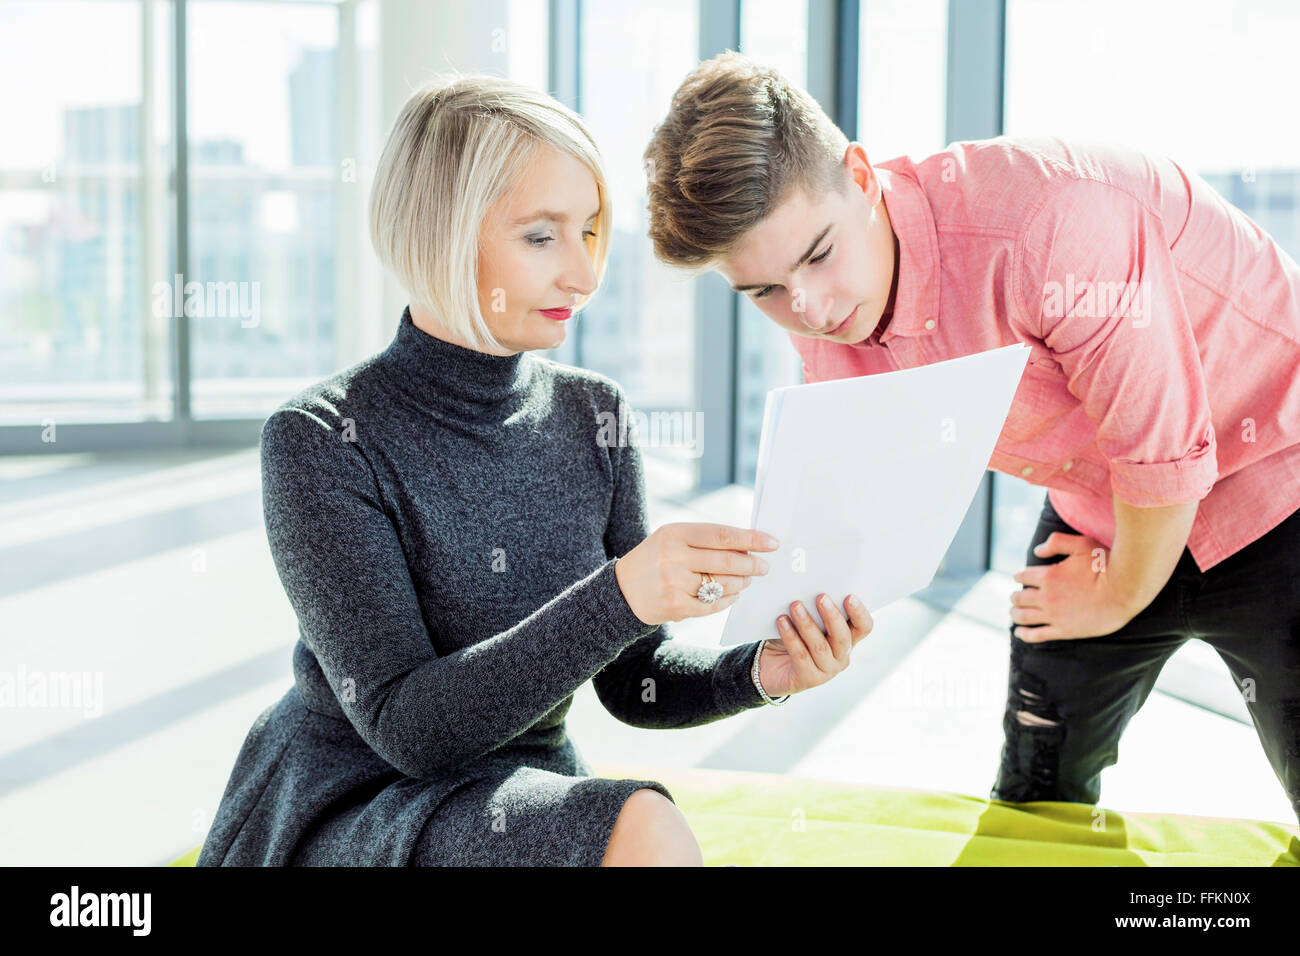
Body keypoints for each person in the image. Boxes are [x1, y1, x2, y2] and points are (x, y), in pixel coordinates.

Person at [196, 72, 874, 868]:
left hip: (517, 792)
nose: (584, 277)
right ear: (442, 232)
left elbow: (634, 682)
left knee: (635, 825)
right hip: (357, 806)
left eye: (589, 232)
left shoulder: (594, 417)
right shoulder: (321, 441)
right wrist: (621, 593)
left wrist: (763, 671)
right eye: (541, 236)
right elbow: (410, 731)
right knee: (646, 828)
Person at [641, 51, 1300, 823]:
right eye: (764, 292)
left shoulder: (1052, 223)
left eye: (818, 255)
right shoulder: (821, 314)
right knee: (1032, 798)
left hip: (1274, 477)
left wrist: (1120, 595)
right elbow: (856, 499)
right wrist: (790, 633)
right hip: (1101, 507)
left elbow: (1164, 454)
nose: (811, 308)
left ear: (860, 175)